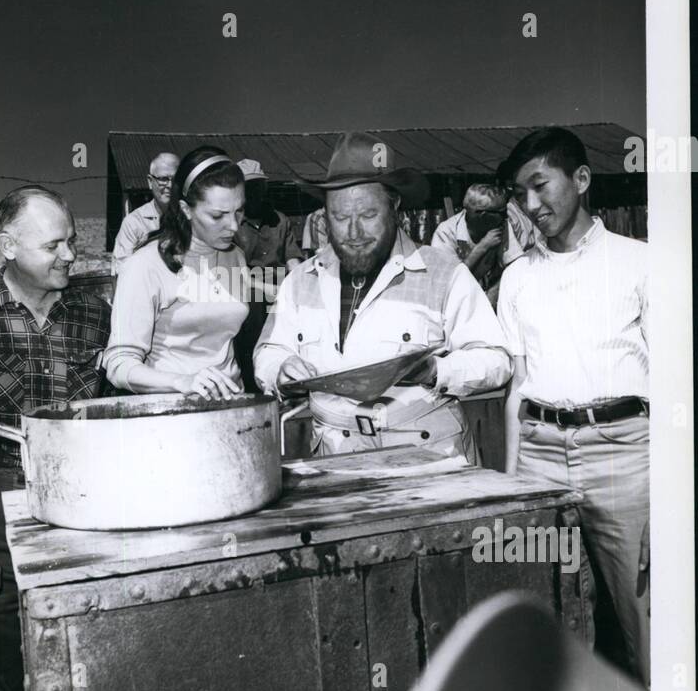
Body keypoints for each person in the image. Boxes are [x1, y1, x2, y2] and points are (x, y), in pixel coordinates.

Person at [0, 186, 111, 691]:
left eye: (71, 241)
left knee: (77, 628)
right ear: (8, 245)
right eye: (54, 245)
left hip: (81, 503)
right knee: (4, 642)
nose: (70, 255)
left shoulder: (95, 314)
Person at [497, 127, 649, 685]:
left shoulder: (643, 264)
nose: (531, 205)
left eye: (541, 186)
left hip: (626, 456)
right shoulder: (516, 280)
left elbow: (676, 385)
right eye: (520, 194)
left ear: (581, 180)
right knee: (546, 617)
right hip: (539, 455)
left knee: (646, 626)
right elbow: (518, 386)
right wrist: (515, 492)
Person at [253, 132, 512, 459]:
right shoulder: (300, 280)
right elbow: (267, 351)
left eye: (368, 215)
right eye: (340, 217)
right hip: (334, 456)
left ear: (395, 206)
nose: (354, 233)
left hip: (427, 452)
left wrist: (436, 370)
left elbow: (496, 359)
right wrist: (280, 367)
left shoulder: (444, 273)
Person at [103, 147, 249, 400]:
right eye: (218, 215)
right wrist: (183, 381)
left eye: (239, 211)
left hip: (231, 407)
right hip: (170, 412)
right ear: (186, 209)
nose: (234, 226)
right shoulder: (145, 265)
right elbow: (119, 365)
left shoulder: (235, 257)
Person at [233, 158, 303, 390]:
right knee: (252, 305)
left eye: (258, 186)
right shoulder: (233, 224)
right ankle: (253, 383)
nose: (254, 193)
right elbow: (236, 276)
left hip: (280, 288)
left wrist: (296, 288)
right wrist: (270, 290)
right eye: (248, 188)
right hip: (247, 291)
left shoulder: (279, 220)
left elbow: (294, 262)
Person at [431, 182, 533, 309]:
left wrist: (492, 294)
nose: (506, 217)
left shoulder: (501, 225)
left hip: (490, 297)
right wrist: (482, 246)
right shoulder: (446, 232)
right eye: (501, 213)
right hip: (457, 301)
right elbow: (448, 282)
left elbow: (515, 267)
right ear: (483, 215)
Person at [111, 151, 180, 275]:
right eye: (163, 179)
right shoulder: (134, 223)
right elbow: (122, 270)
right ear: (150, 181)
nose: (170, 185)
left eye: (175, 179)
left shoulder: (190, 219)